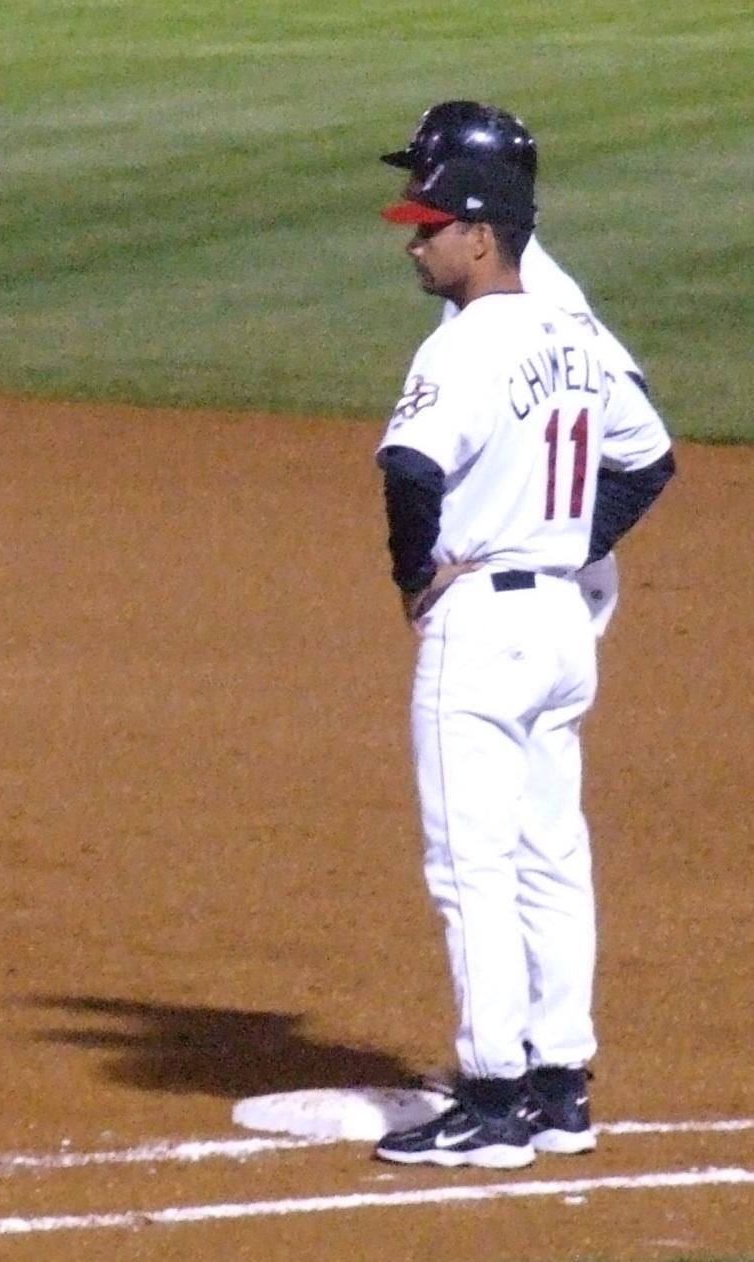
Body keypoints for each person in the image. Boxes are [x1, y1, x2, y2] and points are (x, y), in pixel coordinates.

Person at [373, 155, 675, 1169]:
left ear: (483, 237)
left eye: (430, 227)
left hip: (485, 631)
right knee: (552, 855)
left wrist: (417, 574)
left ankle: (493, 1094)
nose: (415, 243)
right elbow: (647, 454)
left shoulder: (462, 346)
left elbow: (410, 469)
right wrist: (567, 542)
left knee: (472, 866)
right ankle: (561, 1086)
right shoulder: (575, 332)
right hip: (559, 626)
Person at [381, 100, 653, 639]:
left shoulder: (543, 296)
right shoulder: (491, 282)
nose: (417, 184)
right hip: (529, 582)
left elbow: (642, 438)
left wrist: (562, 542)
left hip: (534, 583)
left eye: (427, 170)